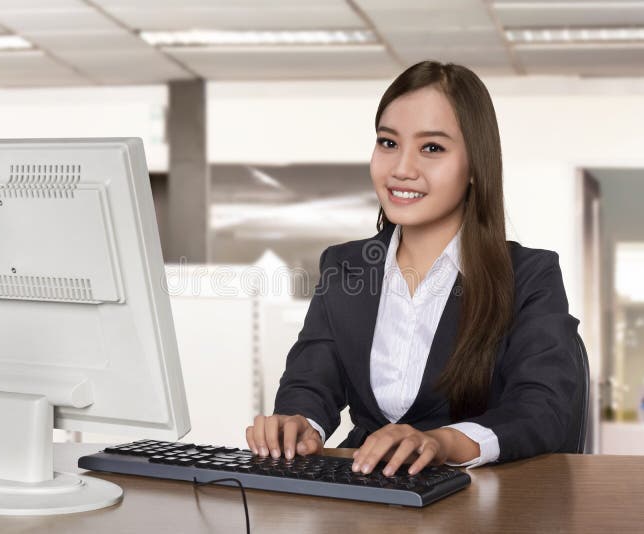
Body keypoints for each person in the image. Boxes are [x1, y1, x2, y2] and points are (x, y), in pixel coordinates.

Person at [245, 60, 580, 477]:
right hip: (364, 486)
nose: (401, 169)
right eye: (388, 143)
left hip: (477, 493)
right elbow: (311, 381)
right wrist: (300, 424)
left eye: (432, 148)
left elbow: (543, 408)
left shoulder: (529, 275)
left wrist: (443, 442)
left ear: (475, 165)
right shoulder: (345, 266)